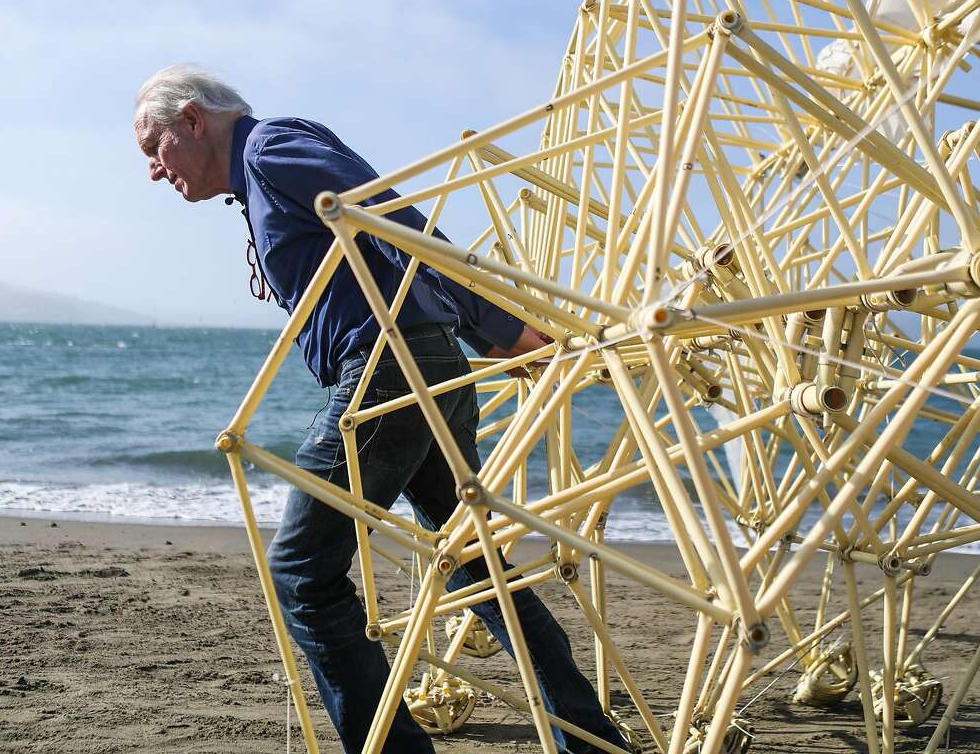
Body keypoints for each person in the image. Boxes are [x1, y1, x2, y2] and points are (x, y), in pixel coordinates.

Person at [133, 65, 625, 754]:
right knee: (470, 562)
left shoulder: (272, 147)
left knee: (303, 571)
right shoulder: (257, 177)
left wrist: (503, 328)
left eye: (153, 148)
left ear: (192, 120)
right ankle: (595, 740)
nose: (154, 171)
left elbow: (397, 222)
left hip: (391, 373)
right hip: (428, 367)